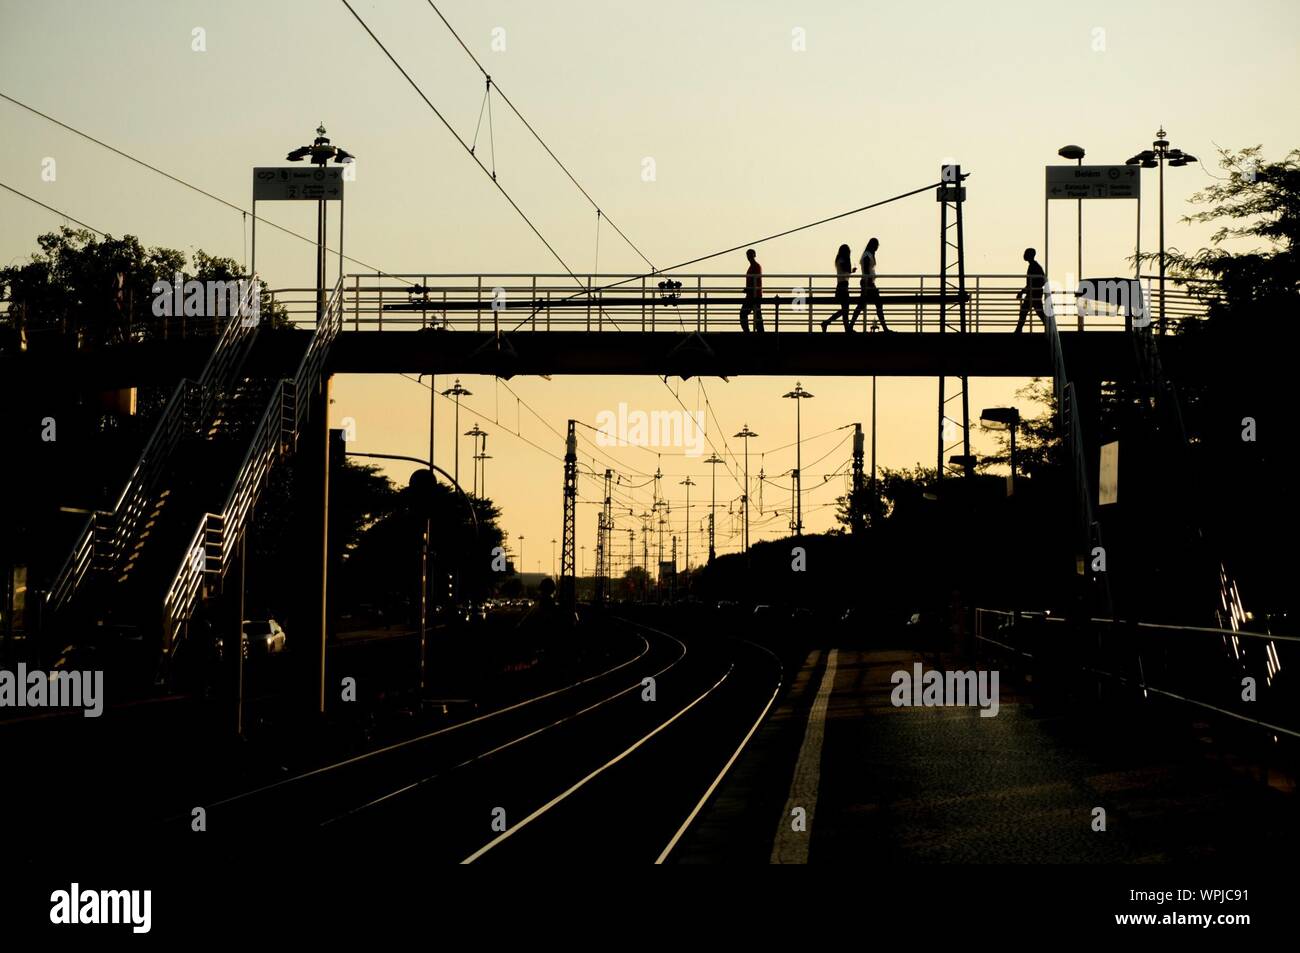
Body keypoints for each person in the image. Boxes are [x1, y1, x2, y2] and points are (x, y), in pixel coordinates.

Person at [850, 237, 889, 332]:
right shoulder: (867, 255)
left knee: (862, 305)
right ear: (873, 246)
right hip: (868, 283)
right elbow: (867, 272)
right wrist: (867, 287)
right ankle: (885, 328)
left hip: (868, 283)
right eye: (876, 246)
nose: (877, 248)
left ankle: (850, 326)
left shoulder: (868, 254)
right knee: (877, 304)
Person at [821, 244, 854, 332]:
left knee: (845, 309)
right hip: (842, 286)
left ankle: (828, 323)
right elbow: (846, 270)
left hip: (842, 286)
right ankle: (828, 322)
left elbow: (845, 272)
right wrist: (850, 264)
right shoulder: (842, 260)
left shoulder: (839, 260)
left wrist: (851, 271)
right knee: (845, 309)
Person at [1015, 247, 1047, 332]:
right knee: (1028, 311)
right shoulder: (1034, 266)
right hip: (1033, 292)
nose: (1024, 255)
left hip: (1033, 293)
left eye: (1026, 253)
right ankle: (1018, 330)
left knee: (1026, 311)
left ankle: (1018, 330)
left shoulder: (1034, 266)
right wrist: (1023, 291)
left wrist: (1023, 291)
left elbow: (1040, 281)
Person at [739, 249, 764, 332]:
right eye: (748, 255)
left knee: (744, 313)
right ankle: (759, 331)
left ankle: (748, 331)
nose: (749, 257)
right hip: (752, 294)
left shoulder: (756, 266)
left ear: (754, 255)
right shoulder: (753, 267)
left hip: (754, 295)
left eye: (750, 255)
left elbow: (756, 280)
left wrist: (749, 289)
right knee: (757, 314)